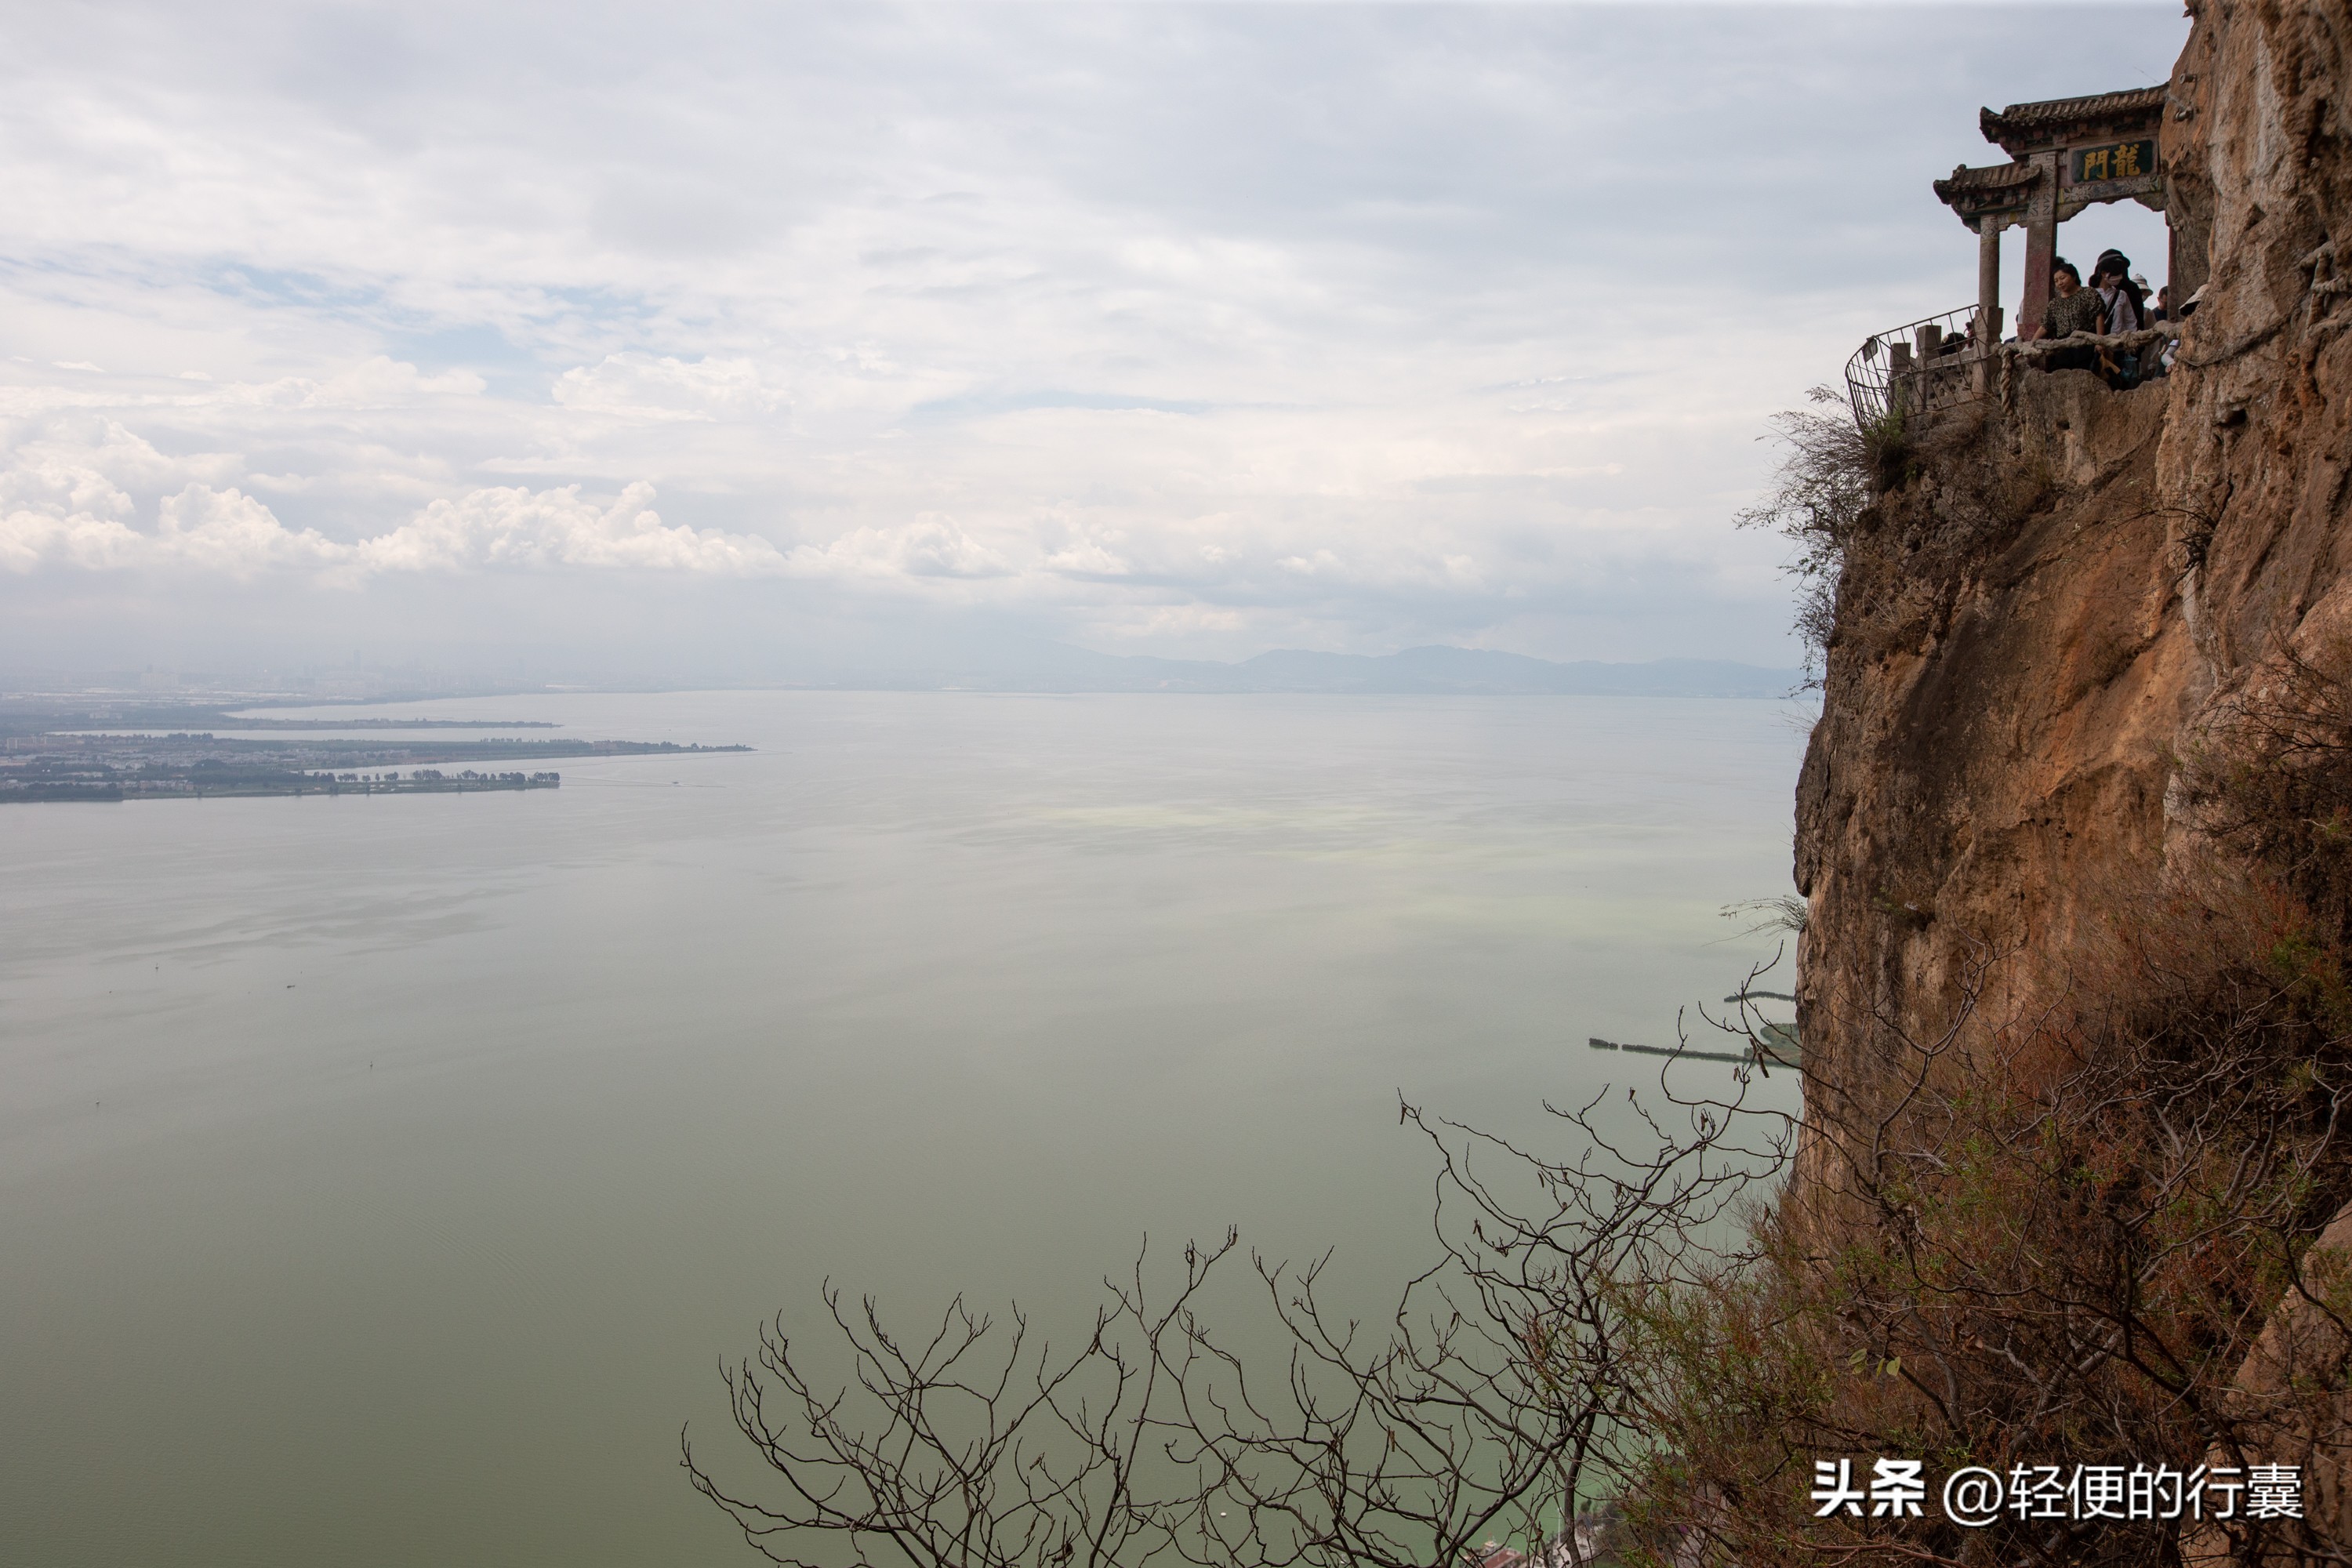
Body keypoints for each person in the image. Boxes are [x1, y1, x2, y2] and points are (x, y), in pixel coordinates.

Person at [2041, 259, 2103, 371]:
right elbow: (2046, 325)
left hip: (2085, 345)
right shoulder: (2055, 303)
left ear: (2074, 276)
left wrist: (2100, 341)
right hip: (2063, 347)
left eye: (2062, 278)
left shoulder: (2089, 293)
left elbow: (2099, 316)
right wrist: (2031, 344)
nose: (2060, 283)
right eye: (2056, 281)